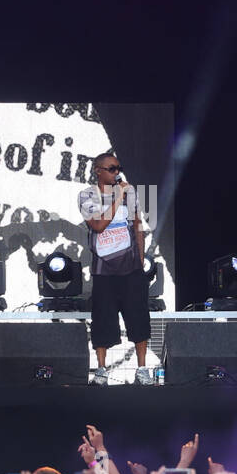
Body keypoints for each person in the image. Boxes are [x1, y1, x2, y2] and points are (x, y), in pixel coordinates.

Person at [79, 151, 152, 385]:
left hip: (131, 269)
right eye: (111, 169)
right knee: (102, 320)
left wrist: (140, 262)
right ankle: (101, 370)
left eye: (118, 168)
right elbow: (99, 225)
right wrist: (118, 198)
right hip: (104, 270)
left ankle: (142, 370)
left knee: (138, 319)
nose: (117, 172)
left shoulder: (130, 193)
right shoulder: (86, 195)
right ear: (98, 171)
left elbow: (138, 227)